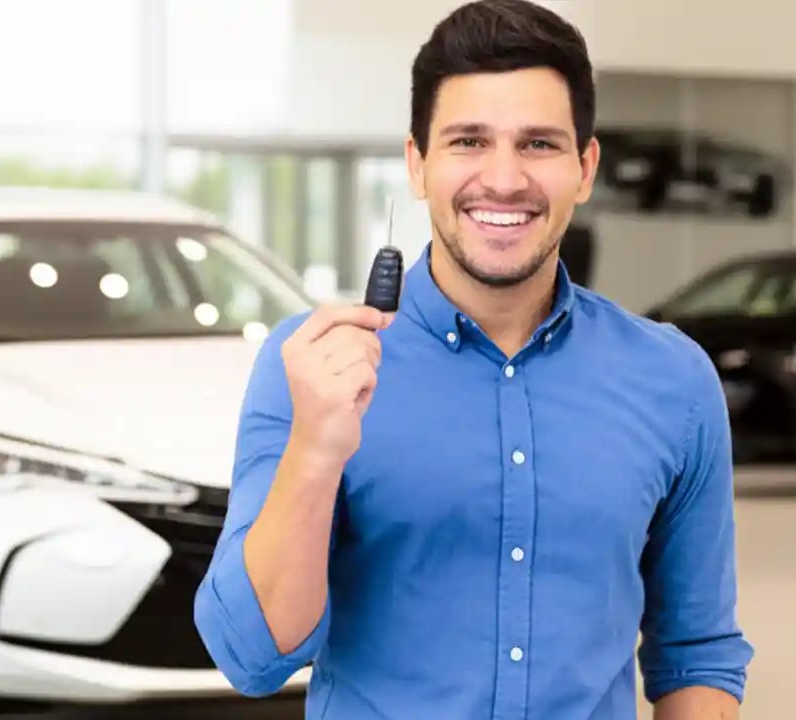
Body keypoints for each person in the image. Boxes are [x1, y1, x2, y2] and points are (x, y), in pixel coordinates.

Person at [192, 1, 755, 718]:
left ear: (585, 169)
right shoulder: (311, 361)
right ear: (418, 163)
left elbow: (697, 651)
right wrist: (314, 453)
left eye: (539, 145)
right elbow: (252, 658)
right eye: (468, 141)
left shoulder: (674, 380)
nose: (504, 179)